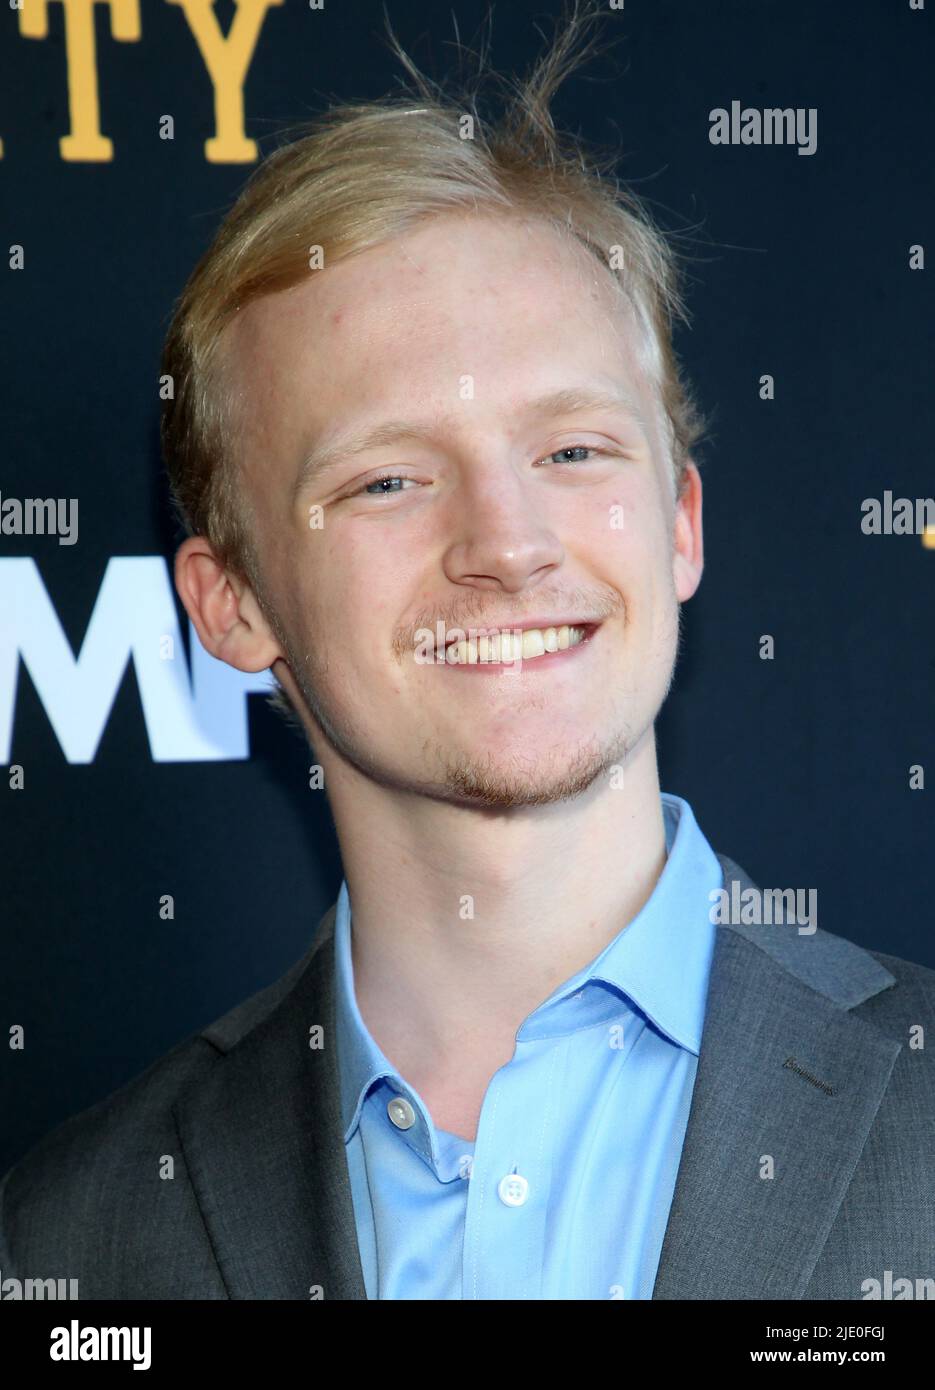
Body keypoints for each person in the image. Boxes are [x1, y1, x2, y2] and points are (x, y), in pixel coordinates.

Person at [2, 7, 933, 1301]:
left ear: (680, 523)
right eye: (387, 478)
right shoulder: (67, 1246)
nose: (507, 542)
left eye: (571, 451)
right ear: (232, 605)